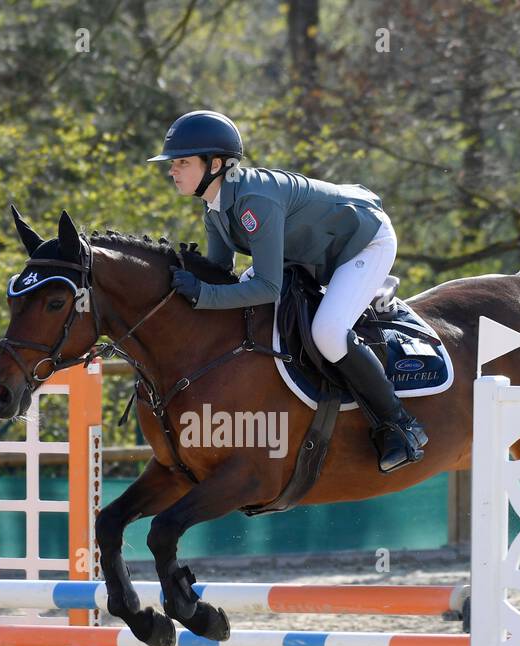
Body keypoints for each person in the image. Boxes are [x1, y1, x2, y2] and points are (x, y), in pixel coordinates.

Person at [147, 110, 427, 473]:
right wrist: (186, 274)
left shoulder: (254, 202)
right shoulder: (214, 207)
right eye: (173, 163)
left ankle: (400, 425)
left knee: (327, 333)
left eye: (182, 162)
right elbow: (221, 273)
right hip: (309, 252)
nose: (172, 170)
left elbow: (267, 286)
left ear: (215, 164)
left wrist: (201, 293)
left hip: (363, 244)